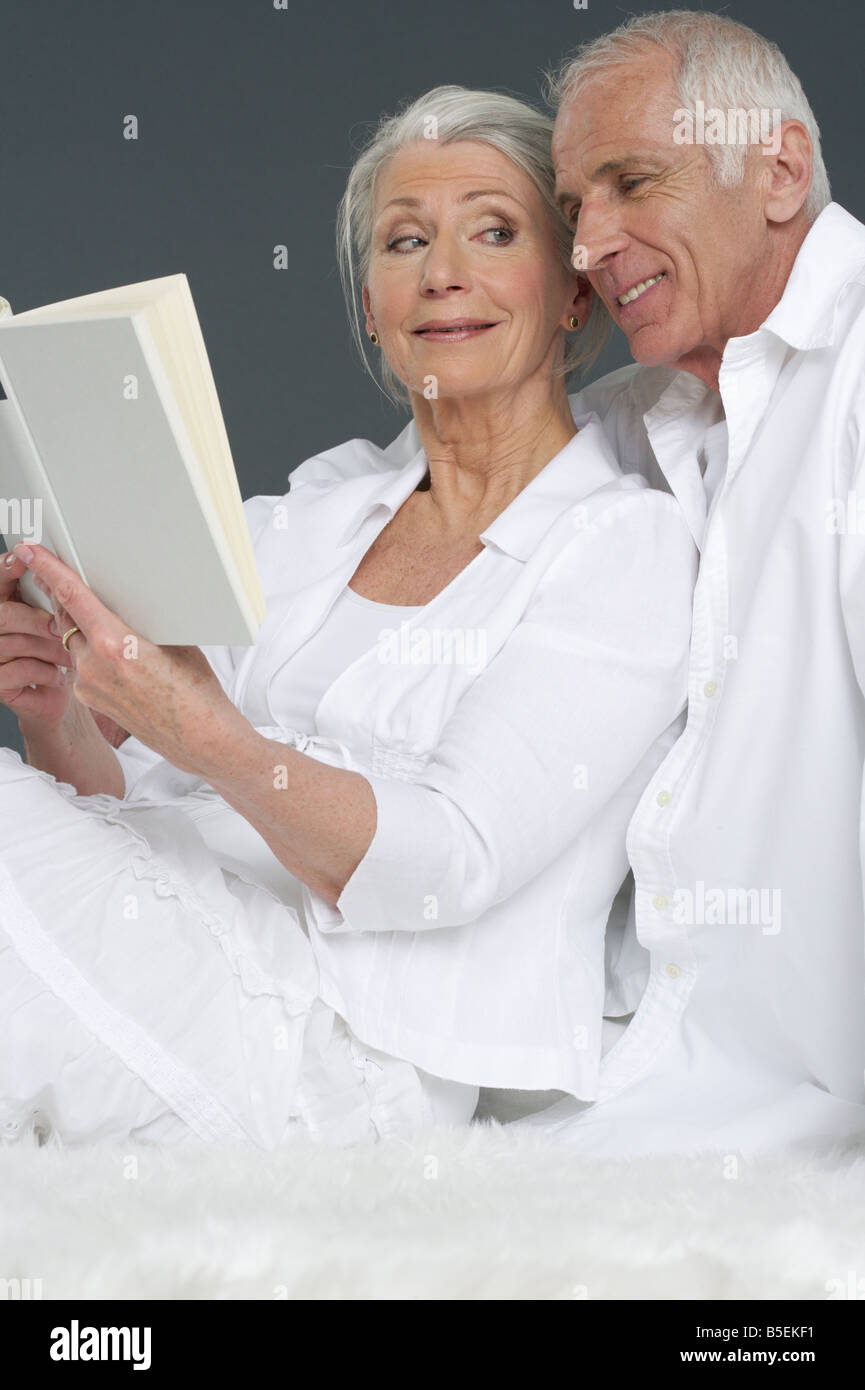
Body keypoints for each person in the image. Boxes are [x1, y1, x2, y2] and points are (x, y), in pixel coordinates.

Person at [0, 86, 695, 1151]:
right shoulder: (304, 516)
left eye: (493, 232)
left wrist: (205, 732)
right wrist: (59, 716)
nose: (441, 271)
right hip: (180, 964)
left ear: (571, 294)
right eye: (404, 241)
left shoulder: (622, 549)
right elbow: (132, 817)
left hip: (344, 1055)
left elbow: (452, 858)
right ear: (369, 303)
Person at [513, 9, 865, 1155]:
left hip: (798, 1134)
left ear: (779, 169)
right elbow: (380, 522)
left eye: (630, 181)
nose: (585, 245)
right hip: (599, 1079)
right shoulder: (622, 423)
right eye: (573, 209)